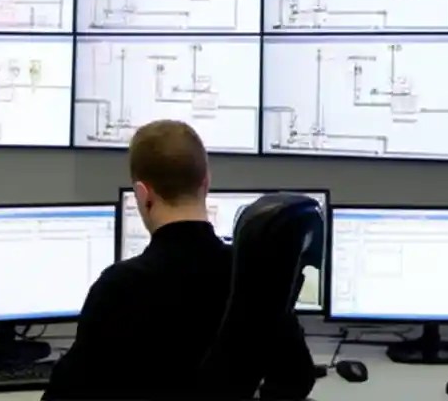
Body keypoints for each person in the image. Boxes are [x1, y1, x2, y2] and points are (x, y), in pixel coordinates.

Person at [44, 120, 315, 400]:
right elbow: (297, 377)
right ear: (206, 183)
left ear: (142, 194)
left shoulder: (118, 287)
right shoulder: (254, 276)